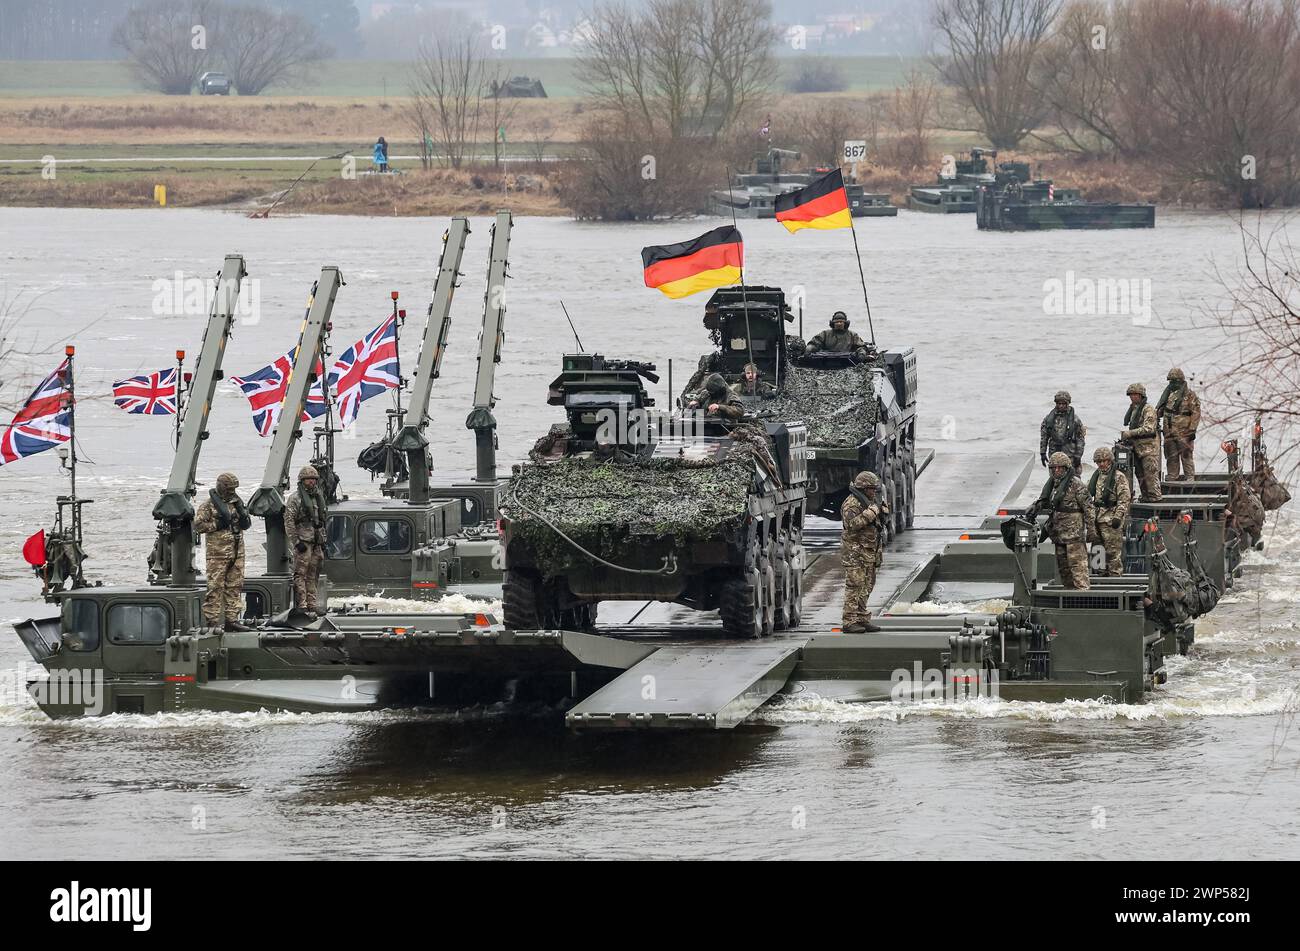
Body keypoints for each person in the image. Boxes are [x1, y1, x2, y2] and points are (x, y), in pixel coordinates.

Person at [193, 471, 252, 631]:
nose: (232, 492)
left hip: (237, 552)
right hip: (217, 554)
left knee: (235, 586)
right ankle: (212, 622)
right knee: (215, 587)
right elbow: (198, 526)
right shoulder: (208, 505)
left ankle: (232, 620)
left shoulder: (236, 503)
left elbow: (245, 521)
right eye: (229, 489)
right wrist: (217, 525)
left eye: (234, 489)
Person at [1030, 451, 1095, 589]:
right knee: (1064, 571)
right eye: (1054, 468)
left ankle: (1083, 599)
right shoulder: (1052, 485)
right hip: (1059, 535)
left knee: (1078, 570)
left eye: (1060, 468)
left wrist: (1091, 529)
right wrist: (1036, 506)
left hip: (1074, 535)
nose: (1057, 471)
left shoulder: (1076, 485)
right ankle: (1070, 598)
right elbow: (1047, 501)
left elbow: (1089, 508)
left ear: (1066, 468)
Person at [840, 470, 888, 632]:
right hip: (855, 554)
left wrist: (882, 513)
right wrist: (872, 512)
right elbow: (852, 524)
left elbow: (878, 525)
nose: (874, 492)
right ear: (863, 488)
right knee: (855, 586)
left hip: (869, 552)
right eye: (871, 489)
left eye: (875, 489)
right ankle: (849, 621)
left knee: (867, 586)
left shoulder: (869, 502)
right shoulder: (852, 503)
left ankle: (861, 617)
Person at [285, 464, 328, 617]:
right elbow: (289, 522)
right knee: (300, 575)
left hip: (316, 542)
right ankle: (302, 605)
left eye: (313, 479)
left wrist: (323, 541)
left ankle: (312, 604)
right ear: (302, 481)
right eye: (308, 479)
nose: (311, 482)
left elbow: (321, 520)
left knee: (313, 574)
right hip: (303, 541)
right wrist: (296, 542)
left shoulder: (318, 497)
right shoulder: (295, 499)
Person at [1088, 446, 1131, 576]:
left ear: (1110, 461)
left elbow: (1124, 498)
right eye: (1098, 462)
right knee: (1097, 551)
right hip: (1097, 519)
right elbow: (1087, 494)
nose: (1101, 464)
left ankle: (1115, 578)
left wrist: (1118, 517)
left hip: (1111, 519)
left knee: (1113, 553)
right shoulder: (1096, 477)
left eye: (1104, 461)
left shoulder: (1119, 477)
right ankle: (1099, 576)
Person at [1157, 367, 1201, 481]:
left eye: (1174, 381)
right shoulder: (1168, 394)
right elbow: (1161, 410)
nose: (1172, 383)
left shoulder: (1189, 395)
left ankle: (1189, 478)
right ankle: (1172, 476)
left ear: (1180, 380)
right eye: (1170, 381)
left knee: (1186, 456)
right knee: (1171, 456)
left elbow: (1196, 413)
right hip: (1169, 431)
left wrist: (1192, 430)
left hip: (1184, 431)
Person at [1121, 382, 1162, 501]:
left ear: (1141, 395)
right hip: (1138, 448)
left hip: (1148, 448)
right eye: (1131, 395)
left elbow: (1149, 428)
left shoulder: (1147, 409)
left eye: (1135, 395)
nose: (1132, 397)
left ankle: (1155, 499)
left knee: (1150, 475)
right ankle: (1145, 497)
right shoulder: (1135, 409)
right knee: (1140, 475)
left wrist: (1130, 433)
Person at [1039, 390, 1086, 475]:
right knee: (1054, 479)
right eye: (1059, 403)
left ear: (1068, 404)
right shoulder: (1048, 419)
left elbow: (1080, 439)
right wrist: (1042, 452)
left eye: (1063, 404)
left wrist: (1078, 456)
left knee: (1073, 479)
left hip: (1070, 455)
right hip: (1054, 455)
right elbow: (1044, 436)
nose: (1061, 406)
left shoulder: (1075, 420)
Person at [806, 312, 870, 359]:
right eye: (837, 322)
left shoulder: (852, 335)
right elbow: (815, 343)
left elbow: (860, 347)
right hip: (826, 359)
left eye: (841, 322)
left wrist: (861, 354)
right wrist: (809, 349)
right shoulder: (825, 334)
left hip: (847, 360)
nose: (839, 324)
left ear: (846, 323)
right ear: (832, 323)